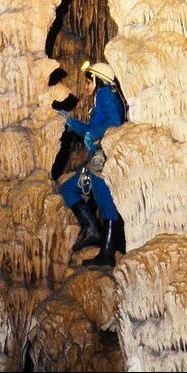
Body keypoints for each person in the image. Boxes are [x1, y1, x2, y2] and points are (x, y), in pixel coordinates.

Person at [56, 61, 125, 267]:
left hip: (103, 161)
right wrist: (70, 123)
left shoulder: (105, 95)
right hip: (94, 160)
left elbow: (114, 123)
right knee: (69, 189)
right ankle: (92, 229)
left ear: (98, 80)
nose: (86, 86)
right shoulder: (99, 101)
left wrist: (93, 133)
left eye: (88, 81)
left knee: (105, 203)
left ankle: (107, 253)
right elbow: (90, 130)